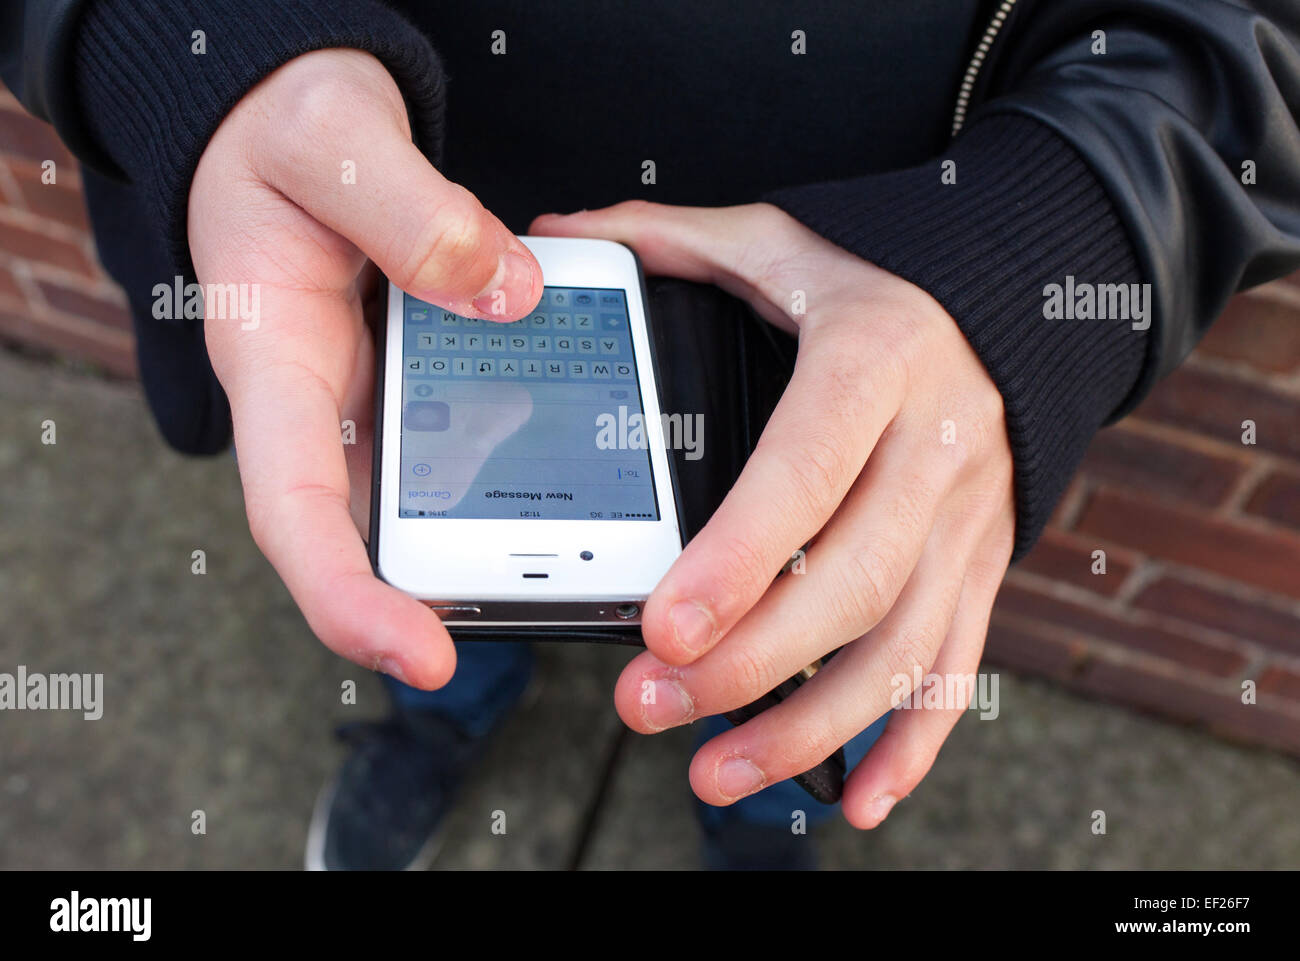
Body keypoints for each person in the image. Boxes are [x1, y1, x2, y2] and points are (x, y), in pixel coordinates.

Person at [4, 0, 1298, 870]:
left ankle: (755, 813)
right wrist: (193, 42)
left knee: (785, 643)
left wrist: (1038, 238)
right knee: (416, 585)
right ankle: (442, 715)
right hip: (388, 226)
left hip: (856, 300)